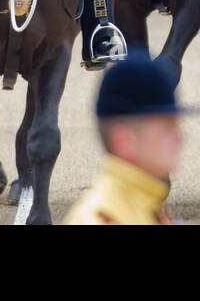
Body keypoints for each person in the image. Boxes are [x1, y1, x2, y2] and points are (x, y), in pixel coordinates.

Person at [64, 48, 186, 225]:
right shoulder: (97, 219)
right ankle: (100, 32)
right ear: (124, 140)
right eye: (166, 129)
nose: (180, 139)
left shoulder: (153, 210)